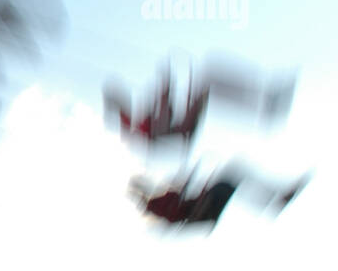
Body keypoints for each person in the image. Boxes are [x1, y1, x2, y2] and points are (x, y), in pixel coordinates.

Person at [105, 59, 296, 149]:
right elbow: (162, 122)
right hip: (185, 127)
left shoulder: (135, 121)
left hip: (184, 123)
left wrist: (166, 86)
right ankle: (266, 103)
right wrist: (165, 86)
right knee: (209, 78)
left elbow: (163, 111)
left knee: (210, 79)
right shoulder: (133, 127)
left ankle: (266, 101)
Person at [130, 163, 309, 229]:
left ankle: (275, 199)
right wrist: (198, 206)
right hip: (201, 211)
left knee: (233, 177)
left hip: (201, 206)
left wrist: (192, 174)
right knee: (230, 179)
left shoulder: (158, 197)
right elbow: (178, 213)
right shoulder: (154, 205)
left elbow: (179, 192)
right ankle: (275, 200)